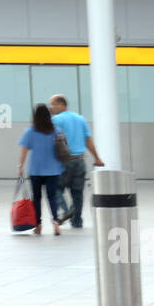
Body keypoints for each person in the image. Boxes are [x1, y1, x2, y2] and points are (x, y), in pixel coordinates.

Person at [47, 94, 104, 228]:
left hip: (62, 162)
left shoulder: (55, 120)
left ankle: (66, 211)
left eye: (53, 104)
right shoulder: (80, 119)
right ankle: (77, 220)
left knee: (55, 188)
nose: (51, 107)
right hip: (79, 161)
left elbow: (51, 141)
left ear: (62, 104)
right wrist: (97, 157)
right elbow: (88, 140)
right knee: (77, 193)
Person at [16, 103, 66, 236]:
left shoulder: (30, 131)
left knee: (36, 198)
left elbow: (24, 151)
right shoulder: (56, 130)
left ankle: (38, 225)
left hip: (36, 170)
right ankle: (55, 221)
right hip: (53, 170)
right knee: (52, 197)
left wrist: (20, 167)